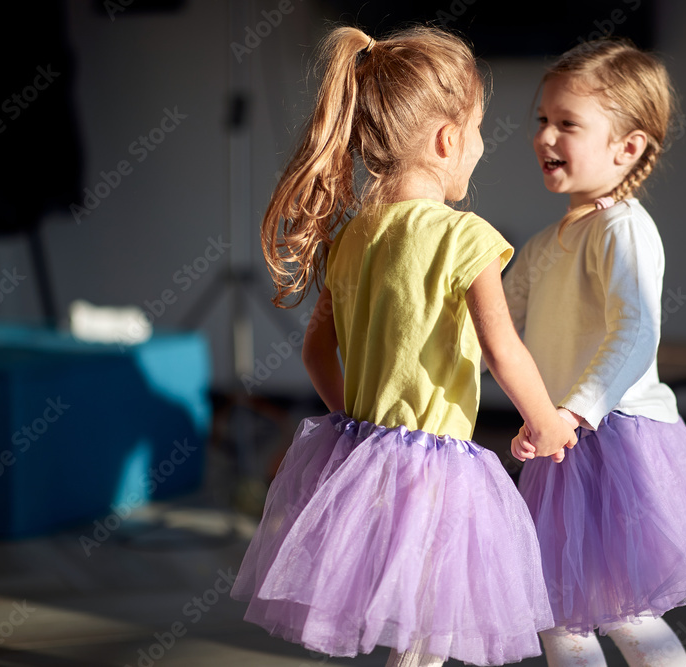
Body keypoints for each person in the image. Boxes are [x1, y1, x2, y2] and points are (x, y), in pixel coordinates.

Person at [231, 25, 578, 667]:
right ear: (447, 139)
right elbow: (502, 349)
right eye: (479, 130)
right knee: (427, 635)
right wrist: (547, 421)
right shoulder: (466, 237)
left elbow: (315, 352)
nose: (481, 145)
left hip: (362, 453)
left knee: (415, 633)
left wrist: (359, 420)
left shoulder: (351, 237)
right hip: (435, 470)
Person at [505, 39, 686, 666]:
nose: (545, 136)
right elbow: (495, 331)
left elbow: (635, 332)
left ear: (627, 148)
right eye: (542, 118)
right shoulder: (542, 245)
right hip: (560, 443)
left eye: (567, 123)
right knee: (559, 615)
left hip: (615, 439)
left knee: (625, 612)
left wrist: (573, 412)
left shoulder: (622, 227)